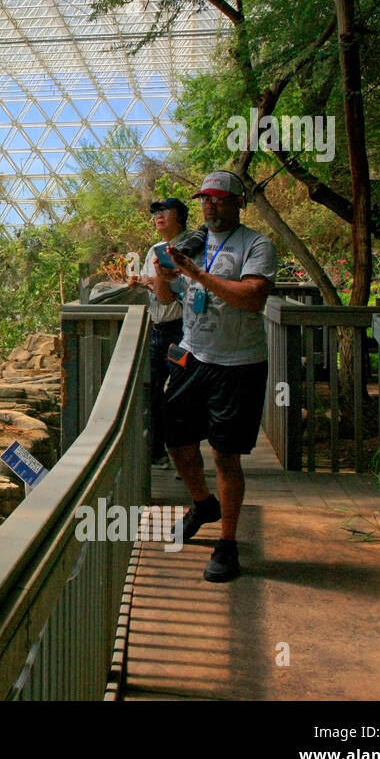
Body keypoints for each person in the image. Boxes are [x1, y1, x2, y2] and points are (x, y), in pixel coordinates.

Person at [154, 170, 276, 582]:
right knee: (175, 437)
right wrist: (165, 273)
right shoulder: (193, 242)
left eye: (220, 199)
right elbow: (167, 298)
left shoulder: (256, 244)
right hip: (193, 355)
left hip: (239, 363)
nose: (210, 206)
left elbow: (253, 297)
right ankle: (203, 503)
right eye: (205, 199)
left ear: (238, 203)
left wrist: (197, 274)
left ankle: (227, 544)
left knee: (225, 454)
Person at [130, 197, 188, 469]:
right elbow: (152, 287)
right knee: (151, 392)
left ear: (180, 216)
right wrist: (142, 282)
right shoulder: (155, 249)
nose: (158, 216)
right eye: (155, 212)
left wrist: (156, 281)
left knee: (181, 395)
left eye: (164, 211)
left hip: (182, 331)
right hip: (156, 331)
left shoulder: (193, 247)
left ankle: (185, 457)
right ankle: (157, 452)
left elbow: (182, 287)